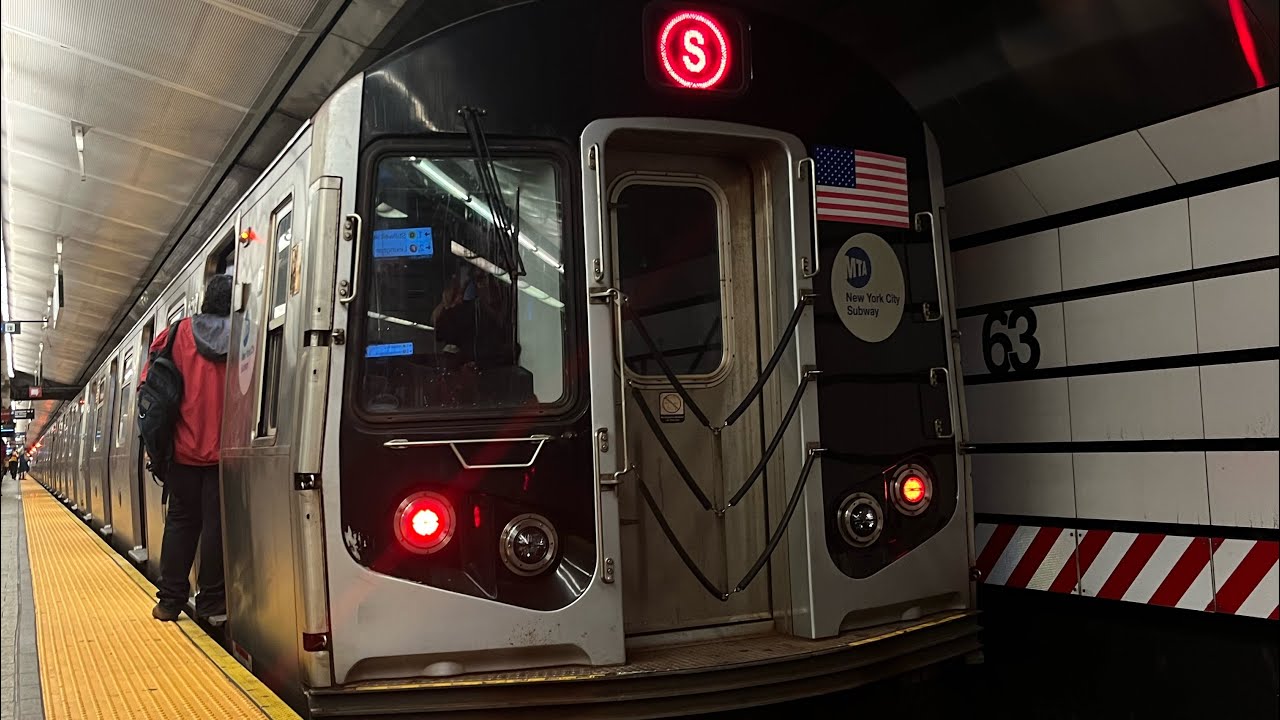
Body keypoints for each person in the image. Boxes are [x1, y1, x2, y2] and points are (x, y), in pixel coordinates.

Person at [140, 274, 231, 622]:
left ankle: (170, 601)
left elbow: (151, 387)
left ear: (206, 300)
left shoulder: (176, 334)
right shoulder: (245, 335)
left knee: (180, 523)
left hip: (183, 451)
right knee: (216, 527)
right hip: (227, 455)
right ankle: (211, 602)